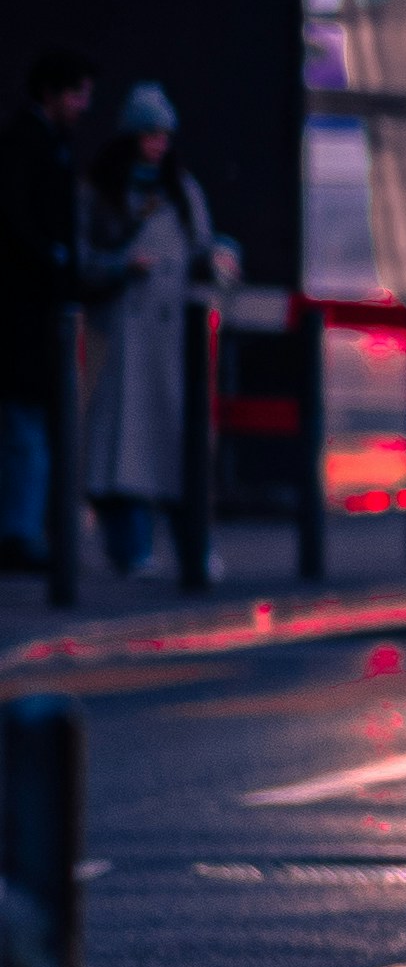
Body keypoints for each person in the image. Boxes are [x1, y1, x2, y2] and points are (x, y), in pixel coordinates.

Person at [83, 84, 234, 576]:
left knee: (168, 448)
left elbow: (202, 247)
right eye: (150, 133)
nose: (158, 143)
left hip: (166, 336)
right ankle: (130, 549)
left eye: (164, 134)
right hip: (120, 333)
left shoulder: (180, 190)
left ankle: (182, 551)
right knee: (121, 451)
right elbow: (84, 256)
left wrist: (217, 261)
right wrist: (121, 265)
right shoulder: (100, 192)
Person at [0, 48, 103, 577]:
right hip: (27, 311)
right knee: (27, 423)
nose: (83, 104)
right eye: (76, 92)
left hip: (34, 308)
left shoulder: (45, 143)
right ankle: (19, 533)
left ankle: (25, 529)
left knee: (30, 422)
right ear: (51, 93)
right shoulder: (28, 145)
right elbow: (20, 220)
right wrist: (53, 259)